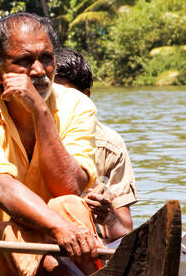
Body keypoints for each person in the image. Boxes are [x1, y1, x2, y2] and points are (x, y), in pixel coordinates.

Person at [0, 12, 103, 276]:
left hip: (60, 239)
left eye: (46, 58)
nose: (38, 71)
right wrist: (58, 229)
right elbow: (2, 190)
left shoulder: (78, 106)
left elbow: (69, 186)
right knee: (18, 232)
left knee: (68, 204)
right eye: (23, 61)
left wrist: (40, 111)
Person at [54, 47, 136, 242]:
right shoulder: (23, 133)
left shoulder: (110, 145)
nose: (57, 105)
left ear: (86, 97)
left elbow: (124, 231)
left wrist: (108, 217)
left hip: (89, 243)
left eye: (67, 97)